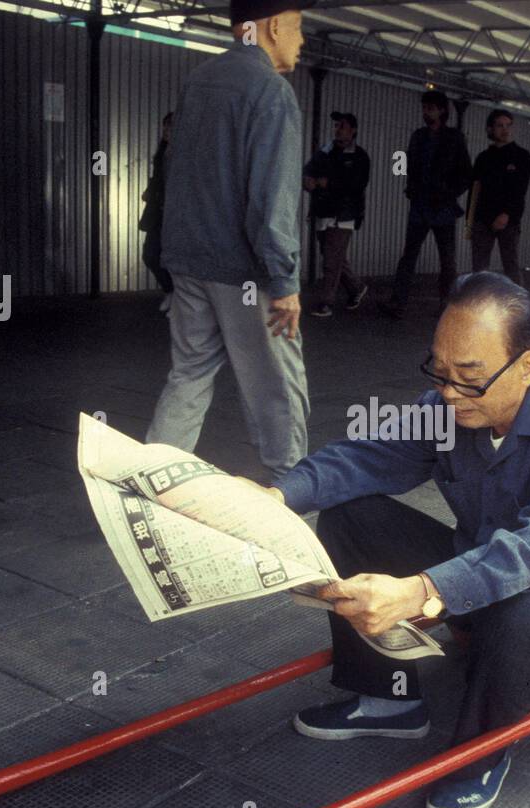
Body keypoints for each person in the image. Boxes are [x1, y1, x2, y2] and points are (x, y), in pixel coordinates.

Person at [257, 271, 530, 808]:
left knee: (527, 614)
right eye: (439, 372)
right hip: (486, 575)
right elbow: (369, 456)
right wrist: (272, 497)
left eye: (468, 377)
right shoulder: (451, 406)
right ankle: (388, 700)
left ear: (528, 365)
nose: (448, 393)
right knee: (353, 517)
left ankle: (480, 753)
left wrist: (421, 592)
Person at [146, 0, 314, 481]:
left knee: (189, 374)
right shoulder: (271, 92)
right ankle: (291, 494)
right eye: (300, 29)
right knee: (277, 388)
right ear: (276, 25)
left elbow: (177, 172)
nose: (302, 42)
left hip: (188, 262)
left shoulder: (200, 80)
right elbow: (271, 198)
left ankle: (150, 480)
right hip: (244, 273)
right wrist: (284, 281)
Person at [381, 90, 472, 319]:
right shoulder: (419, 136)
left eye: (430, 108)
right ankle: (398, 302)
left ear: (442, 110)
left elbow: (465, 173)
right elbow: (409, 165)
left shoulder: (454, 138)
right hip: (422, 205)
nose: (426, 112)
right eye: (425, 108)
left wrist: (448, 193)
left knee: (446, 259)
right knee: (410, 255)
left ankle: (447, 304)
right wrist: (412, 189)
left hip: (441, 206)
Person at [303, 110, 371, 318]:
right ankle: (357, 287)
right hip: (323, 212)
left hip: (344, 215)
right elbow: (309, 169)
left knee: (331, 261)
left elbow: (357, 184)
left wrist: (327, 183)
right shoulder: (325, 151)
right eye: (336, 126)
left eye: (342, 126)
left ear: (353, 130)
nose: (337, 130)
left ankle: (326, 302)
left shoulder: (359, 157)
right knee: (333, 255)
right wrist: (307, 180)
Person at [468, 109, 530, 284]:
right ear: (490, 129)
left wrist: (506, 214)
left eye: (508, 125)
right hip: (482, 220)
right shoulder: (483, 158)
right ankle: (480, 306)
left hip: (509, 220)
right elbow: (475, 191)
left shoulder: (522, 156)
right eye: (499, 125)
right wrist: (470, 222)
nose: (505, 129)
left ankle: (520, 308)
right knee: (479, 268)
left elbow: (520, 190)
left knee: (511, 265)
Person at [140, 111, 174, 311]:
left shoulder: (184, 154)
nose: (166, 131)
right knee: (150, 255)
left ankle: (175, 295)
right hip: (160, 212)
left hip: (175, 215)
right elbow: (158, 179)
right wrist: (150, 191)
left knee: (164, 256)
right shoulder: (163, 153)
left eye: (170, 127)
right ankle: (171, 292)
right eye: (165, 127)